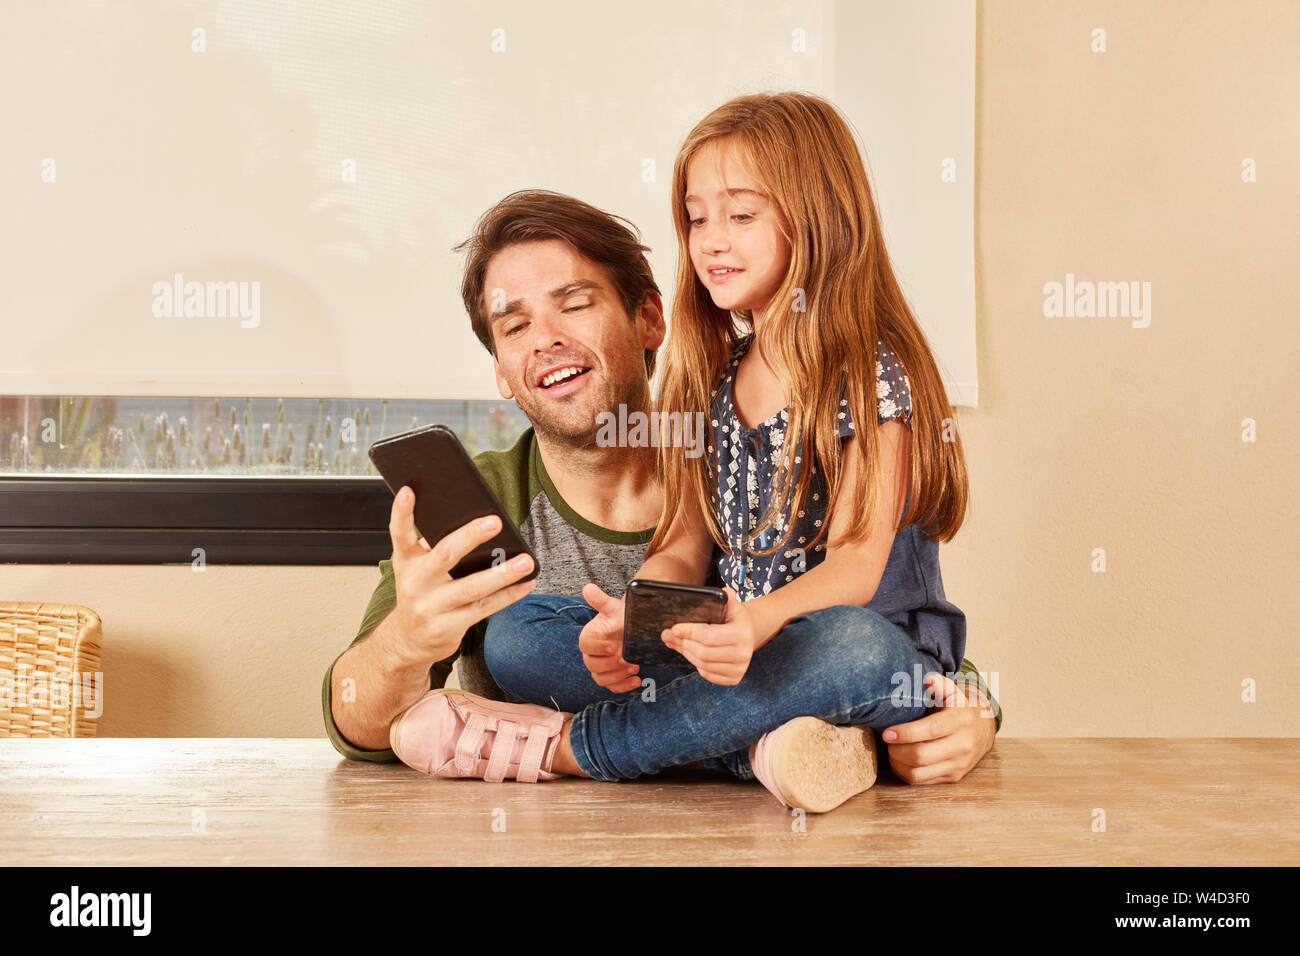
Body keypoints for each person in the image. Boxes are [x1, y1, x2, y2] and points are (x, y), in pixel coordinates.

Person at [325, 184, 1001, 807]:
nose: (546, 339)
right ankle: (761, 750)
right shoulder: (483, 502)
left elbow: (875, 631)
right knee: (517, 637)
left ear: (649, 318)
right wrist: (406, 642)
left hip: (787, 684)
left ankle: (573, 745)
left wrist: (975, 711)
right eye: (514, 326)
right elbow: (354, 723)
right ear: (501, 371)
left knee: (846, 650)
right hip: (666, 748)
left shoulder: (729, 444)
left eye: (574, 302)